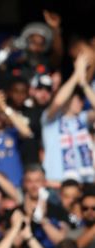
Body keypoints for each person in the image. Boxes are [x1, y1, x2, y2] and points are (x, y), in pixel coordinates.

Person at [41, 54, 95, 184]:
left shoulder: (82, 119)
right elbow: (58, 102)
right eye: (76, 100)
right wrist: (76, 74)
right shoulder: (50, 120)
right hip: (57, 182)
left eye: (81, 100)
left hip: (83, 182)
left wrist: (84, 84)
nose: (80, 103)